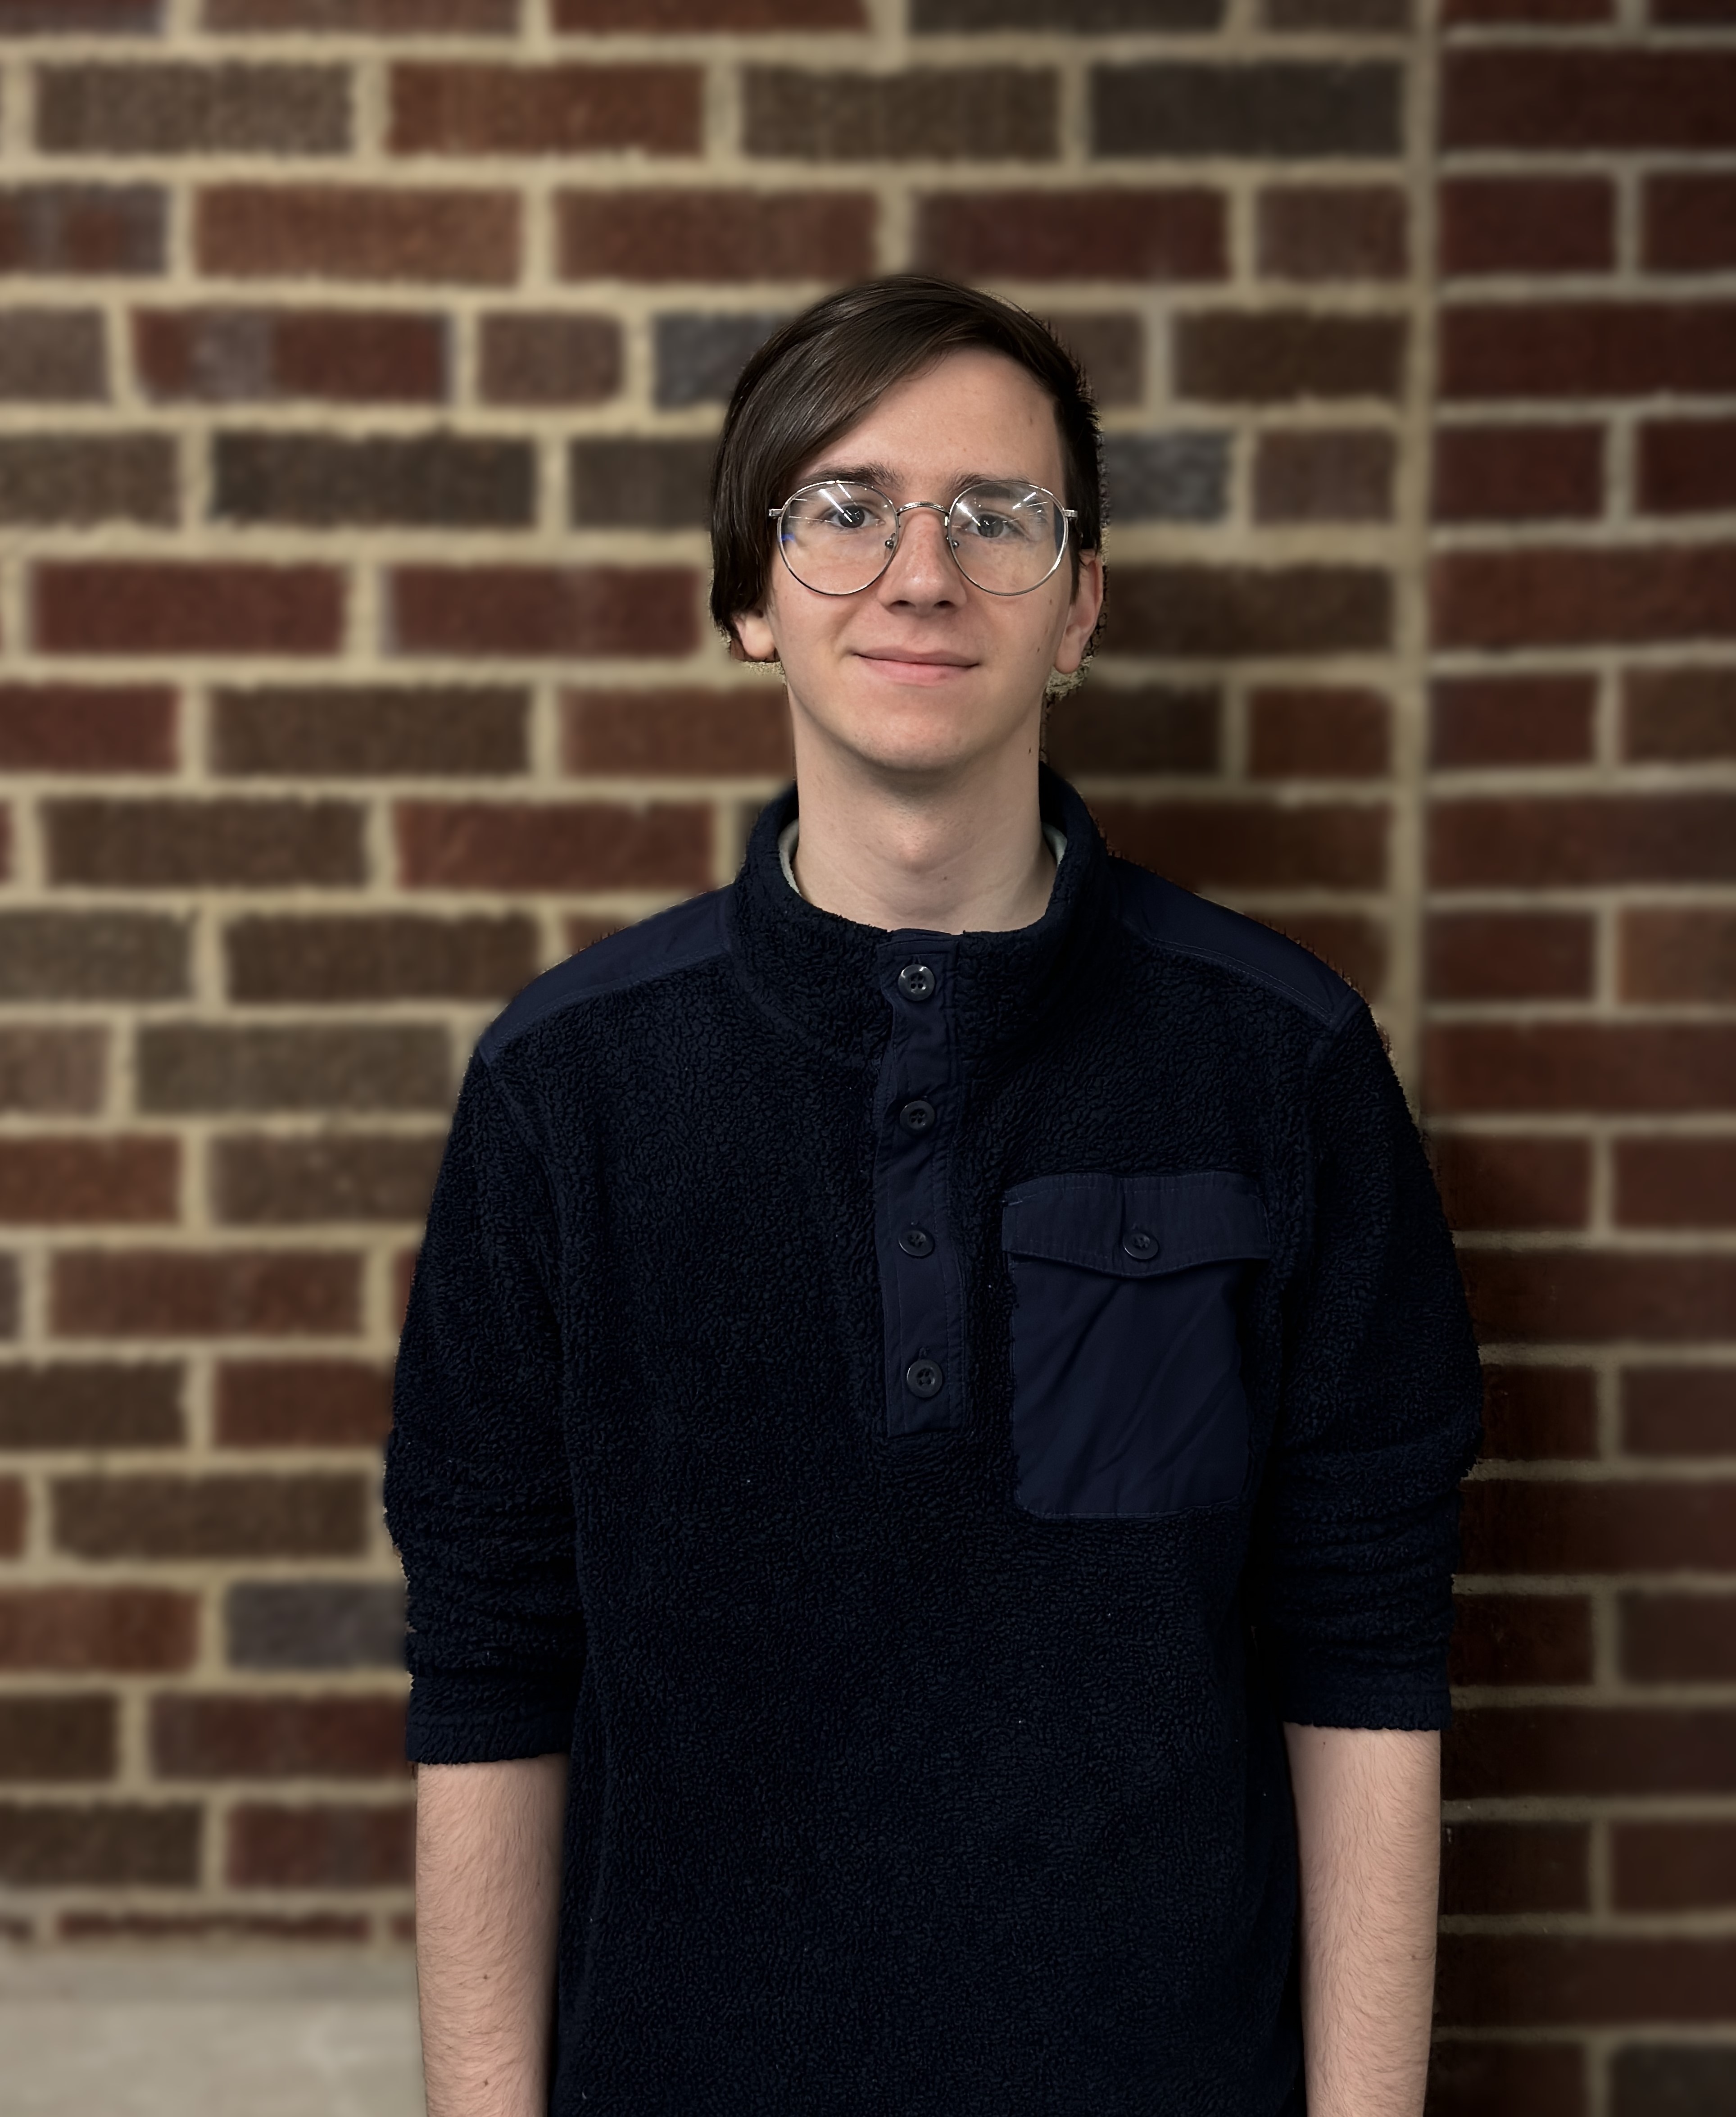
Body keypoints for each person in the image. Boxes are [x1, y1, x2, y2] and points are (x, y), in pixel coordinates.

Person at [384, 273, 1483, 2117]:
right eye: (844, 508)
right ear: (751, 597)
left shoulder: (1276, 1063)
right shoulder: (564, 1091)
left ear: (1080, 604)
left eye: (996, 515)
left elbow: (1364, 1639)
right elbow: (491, 1666)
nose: (921, 573)